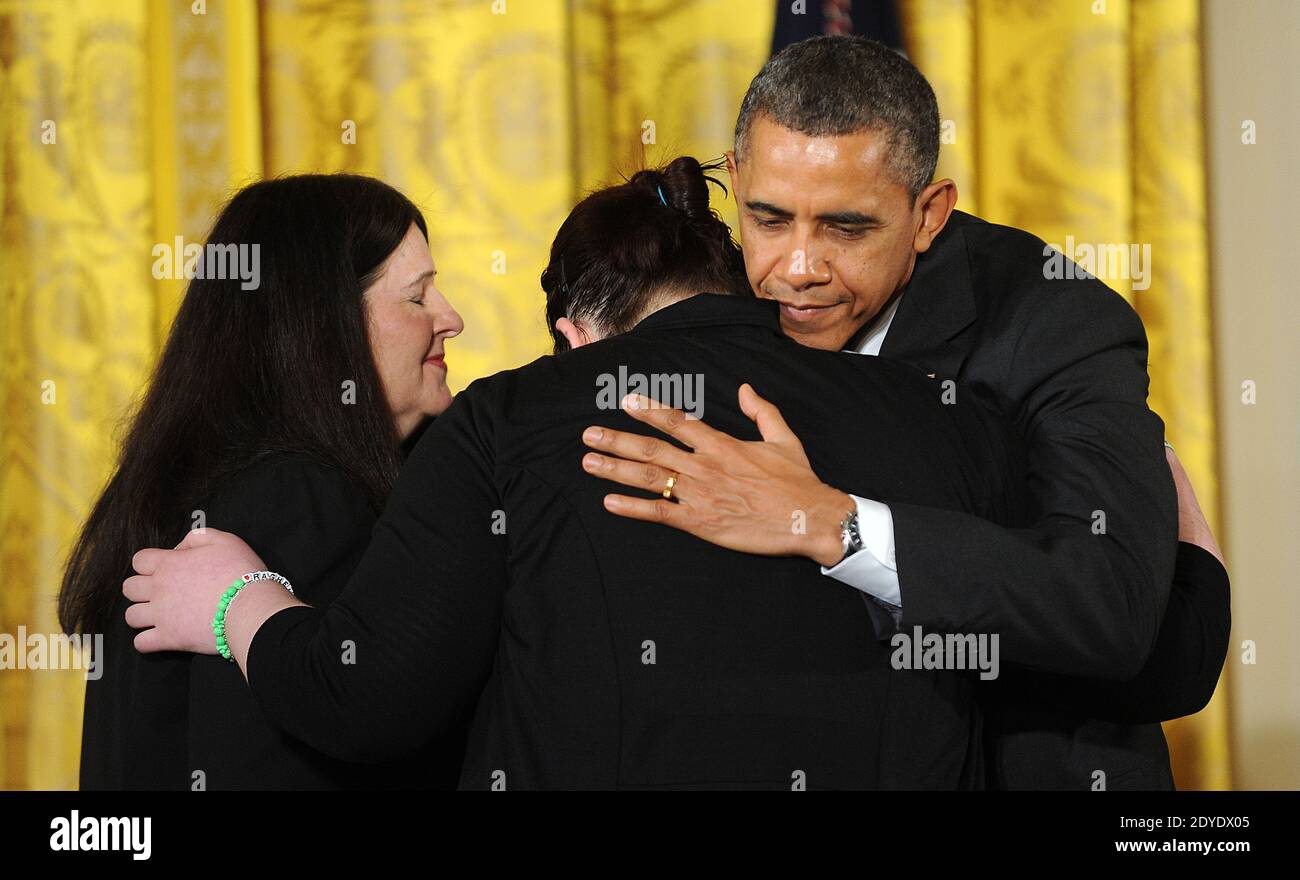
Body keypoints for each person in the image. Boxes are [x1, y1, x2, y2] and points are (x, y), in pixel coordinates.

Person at [122, 158, 1024, 789]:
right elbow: (1090, 636)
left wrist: (239, 598)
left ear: (574, 336)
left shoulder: (506, 422)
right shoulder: (951, 419)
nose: (453, 319)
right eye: (417, 294)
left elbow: (363, 697)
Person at [580, 36, 1231, 789]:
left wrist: (834, 524)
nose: (798, 267)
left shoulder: (1055, 323)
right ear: (738, 182)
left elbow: (1111, 610)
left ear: (928, 214)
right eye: (769, 219)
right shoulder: (709, 299)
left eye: (845, 228)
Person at [62, 174, 467, 790]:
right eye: (417, 297)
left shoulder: (181, 485)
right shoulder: (302, 498)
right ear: (327, 325)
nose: (451, 319)